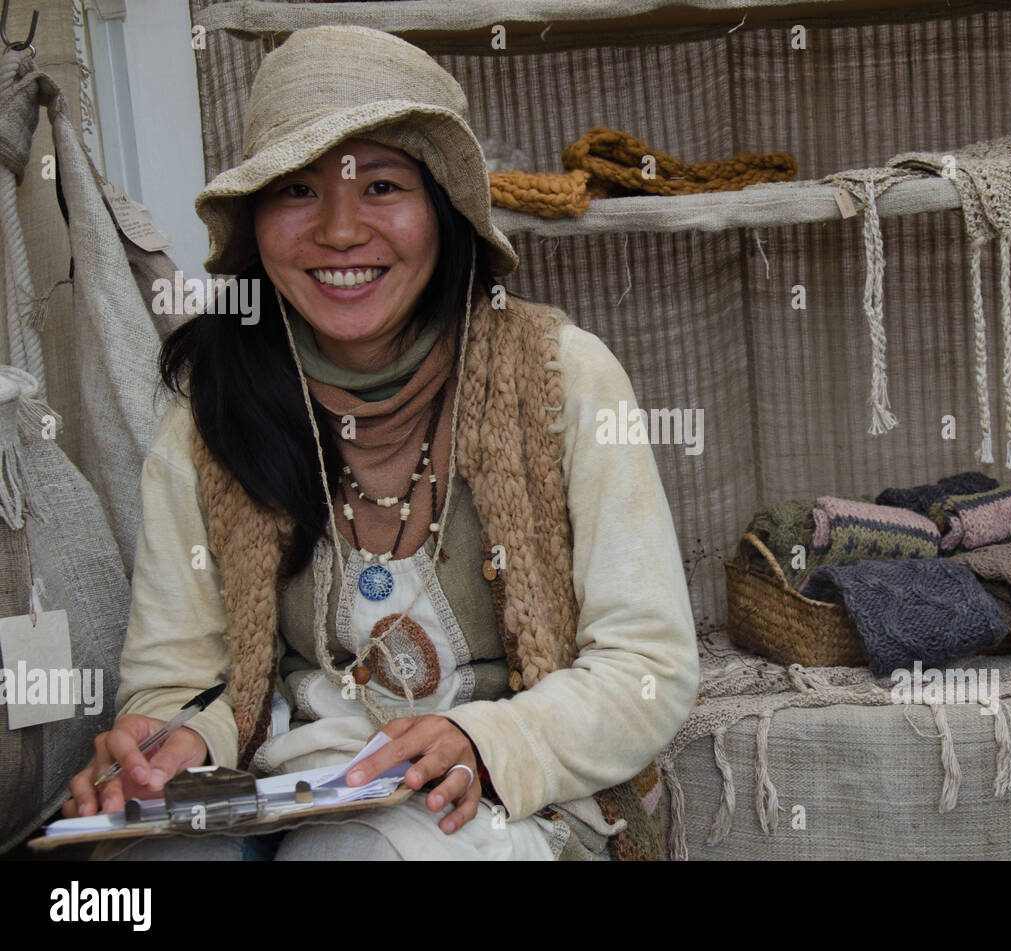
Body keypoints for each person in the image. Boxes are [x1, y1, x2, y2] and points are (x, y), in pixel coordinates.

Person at [62, 24, 699, 861]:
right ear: (255, 223)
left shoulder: (561, 377)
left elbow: (647, 665)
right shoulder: (211, 414)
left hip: (499, 799)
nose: (338, 230)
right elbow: (182, 678)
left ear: (443, 211)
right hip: (281, 782)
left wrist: (484, 742)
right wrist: (172, 744)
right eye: (296, 190)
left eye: (382, 185)